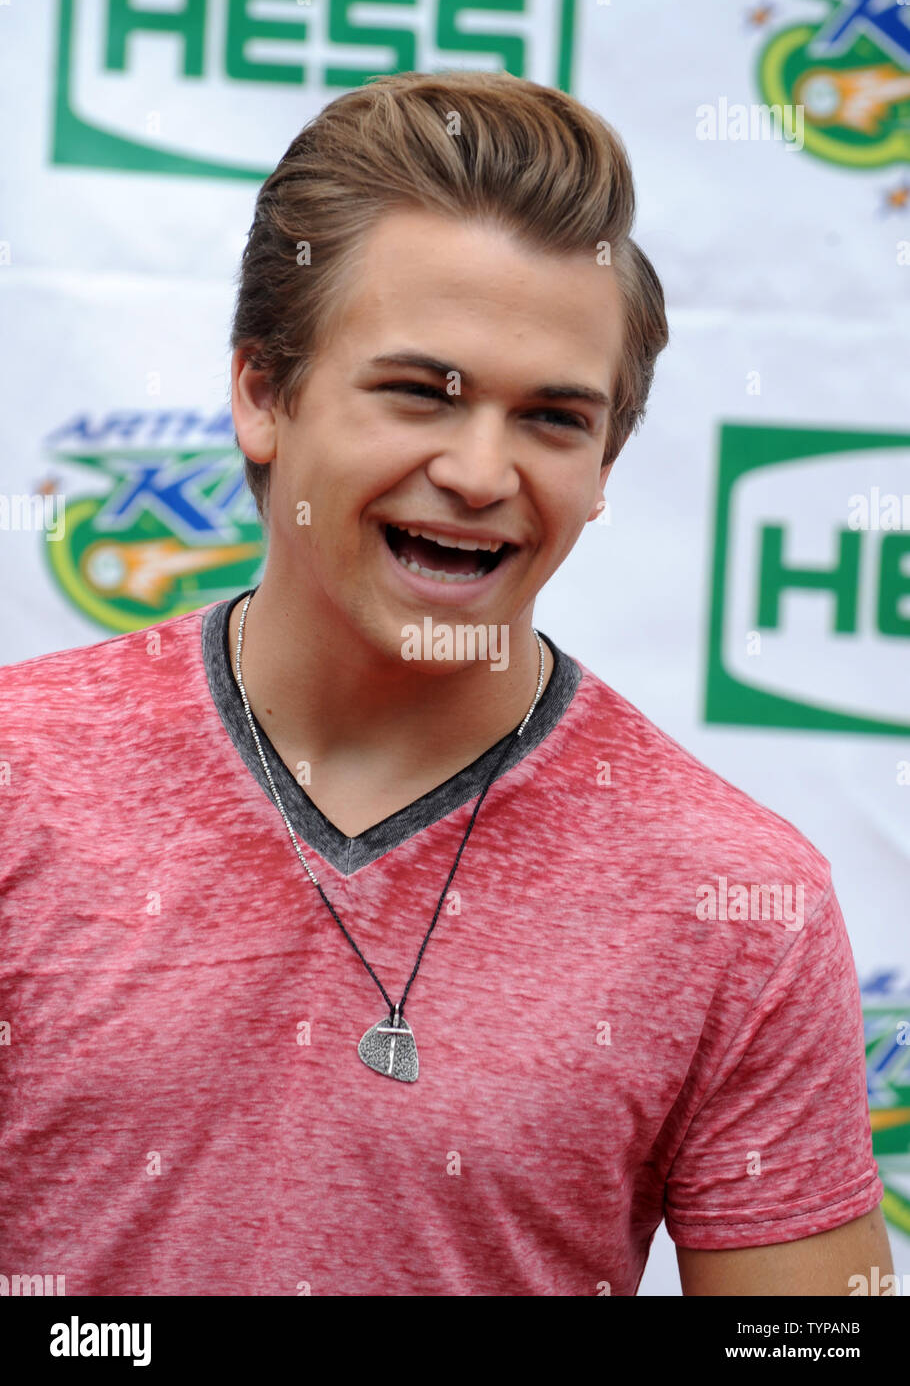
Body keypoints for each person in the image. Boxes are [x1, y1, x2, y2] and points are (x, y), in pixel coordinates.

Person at [0, 70, 890, 1297]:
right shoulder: (18, 777)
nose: (480, 471)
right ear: (263, 391)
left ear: (605, 461)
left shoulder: (737, 899)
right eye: (421, 392)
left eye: (553, 419)